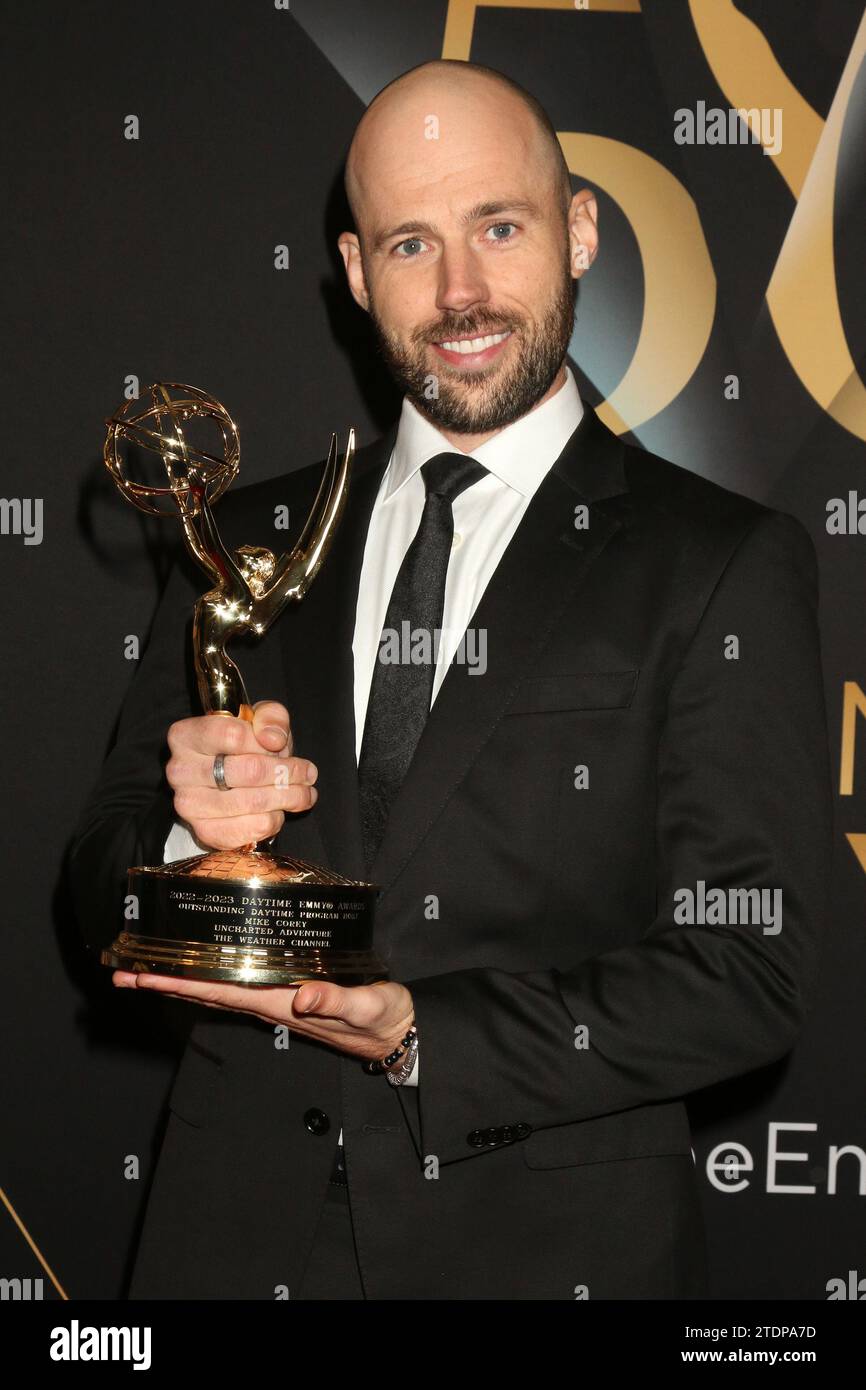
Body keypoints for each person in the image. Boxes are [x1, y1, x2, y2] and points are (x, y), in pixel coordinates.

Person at [69, 58, 832, 1300]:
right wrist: (178, 830)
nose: (461, 291)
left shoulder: (719, 563)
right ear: (357, 271)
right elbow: (95, 878)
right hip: (226, 1241)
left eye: (499, 226)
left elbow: (745, 974)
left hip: (540, 1257)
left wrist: (425, 1036)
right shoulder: (244, 546)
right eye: (411, 242)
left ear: (579, 231)